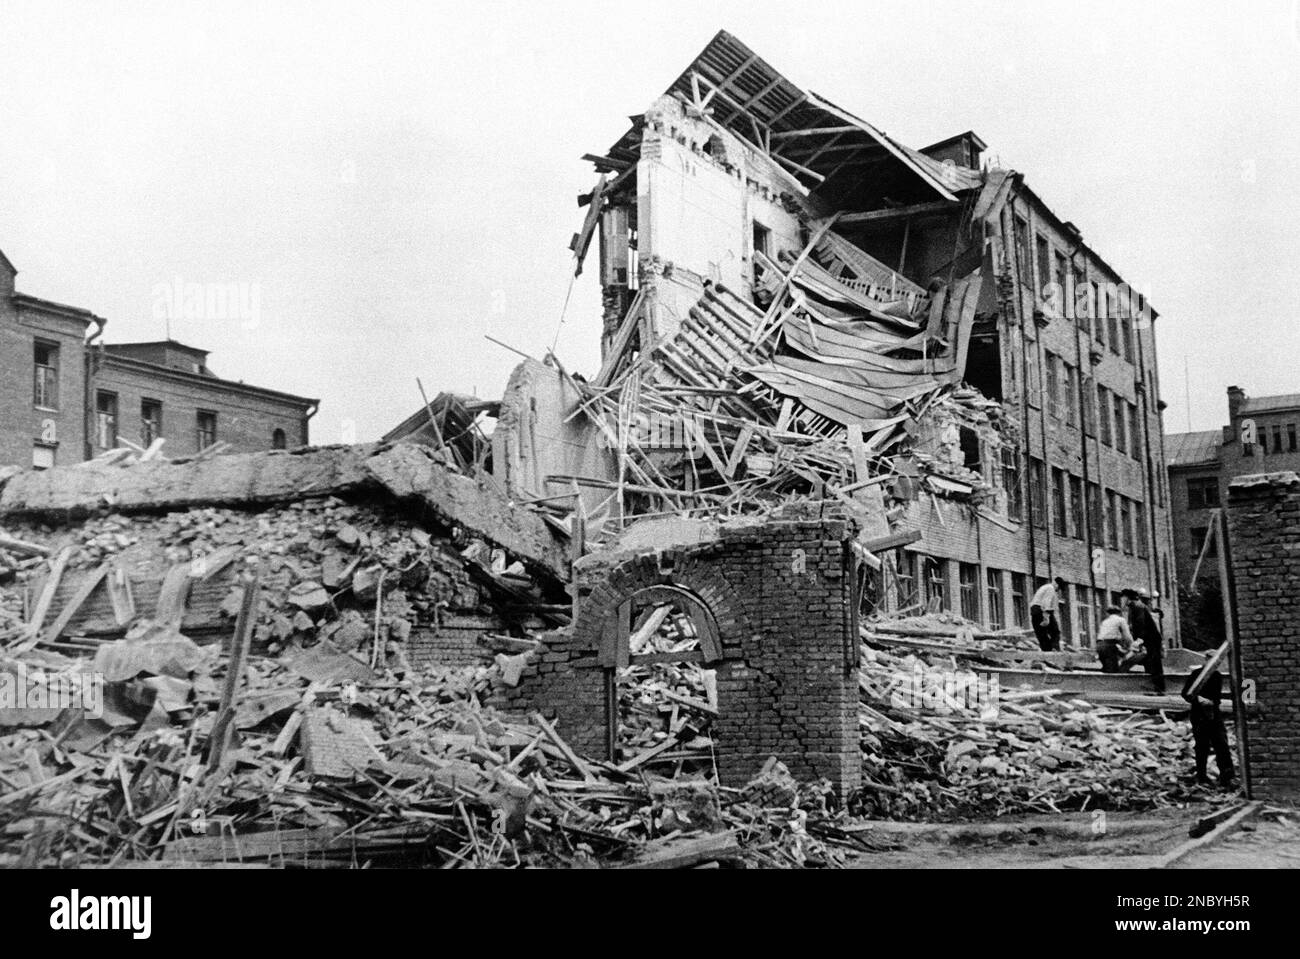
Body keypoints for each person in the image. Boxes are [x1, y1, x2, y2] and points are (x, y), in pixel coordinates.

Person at [1181, 658, 1235, 789]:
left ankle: (1226, 778)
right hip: (1199, 715)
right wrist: (1199, 699)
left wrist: (1210, 703)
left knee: (1221, 745)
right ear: (1206, 661)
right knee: (1202, 747)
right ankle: (1201, 777)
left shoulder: (1216, 676)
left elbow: (1216, 697)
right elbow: (1186, 694)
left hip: (1214, 714)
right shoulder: (1196, 674)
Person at [1124, 587, 1166, 694]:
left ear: (1128, 598)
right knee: (1149, 662)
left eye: (1124, 598)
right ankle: (1154, 688)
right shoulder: (1136, 606)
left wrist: (1139, 640)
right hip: (1150, 638)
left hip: (1151, 639)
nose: (1123, 602)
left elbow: (1140, 623)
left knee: (1154, 663)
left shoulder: (1137, 606)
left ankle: (1160, 689)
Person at [1029, 576, 1066, 652]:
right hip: (1042, 610)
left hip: (1034, 611)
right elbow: (1046, 603)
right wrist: (1046, 618)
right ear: (1056, 584)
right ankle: (1054, 649)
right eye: (1058, 588)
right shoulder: (1050, 588)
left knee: (1041, 634)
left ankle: (1046, 651)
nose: (1058, 590)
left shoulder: (1044, 587)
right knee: (1055, 632)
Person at [1096, 605, 1133, 672]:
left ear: (1108, 613)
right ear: (1119, 613)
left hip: (1099, 645)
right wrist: (1132, 644)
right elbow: (1127, 634)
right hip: (1110, 645)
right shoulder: (1121, 620)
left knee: (1106, 667)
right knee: (1113, 669)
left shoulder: (1104, 621)